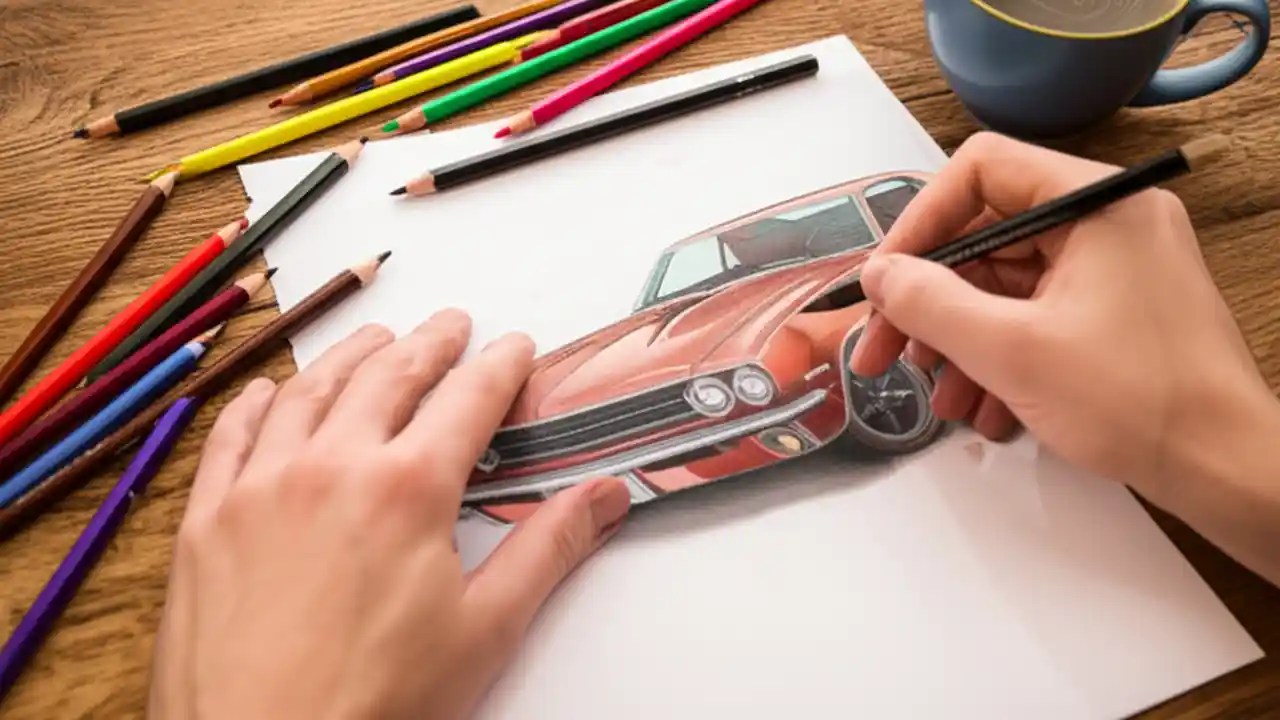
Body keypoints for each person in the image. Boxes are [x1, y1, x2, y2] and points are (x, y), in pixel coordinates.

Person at [146, 133, 1280, 718]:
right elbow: (664, 334)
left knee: (751, 383)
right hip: (662, 412)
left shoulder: (875, 247)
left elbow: (804, 333)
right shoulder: (666, 310)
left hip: (776, 376)